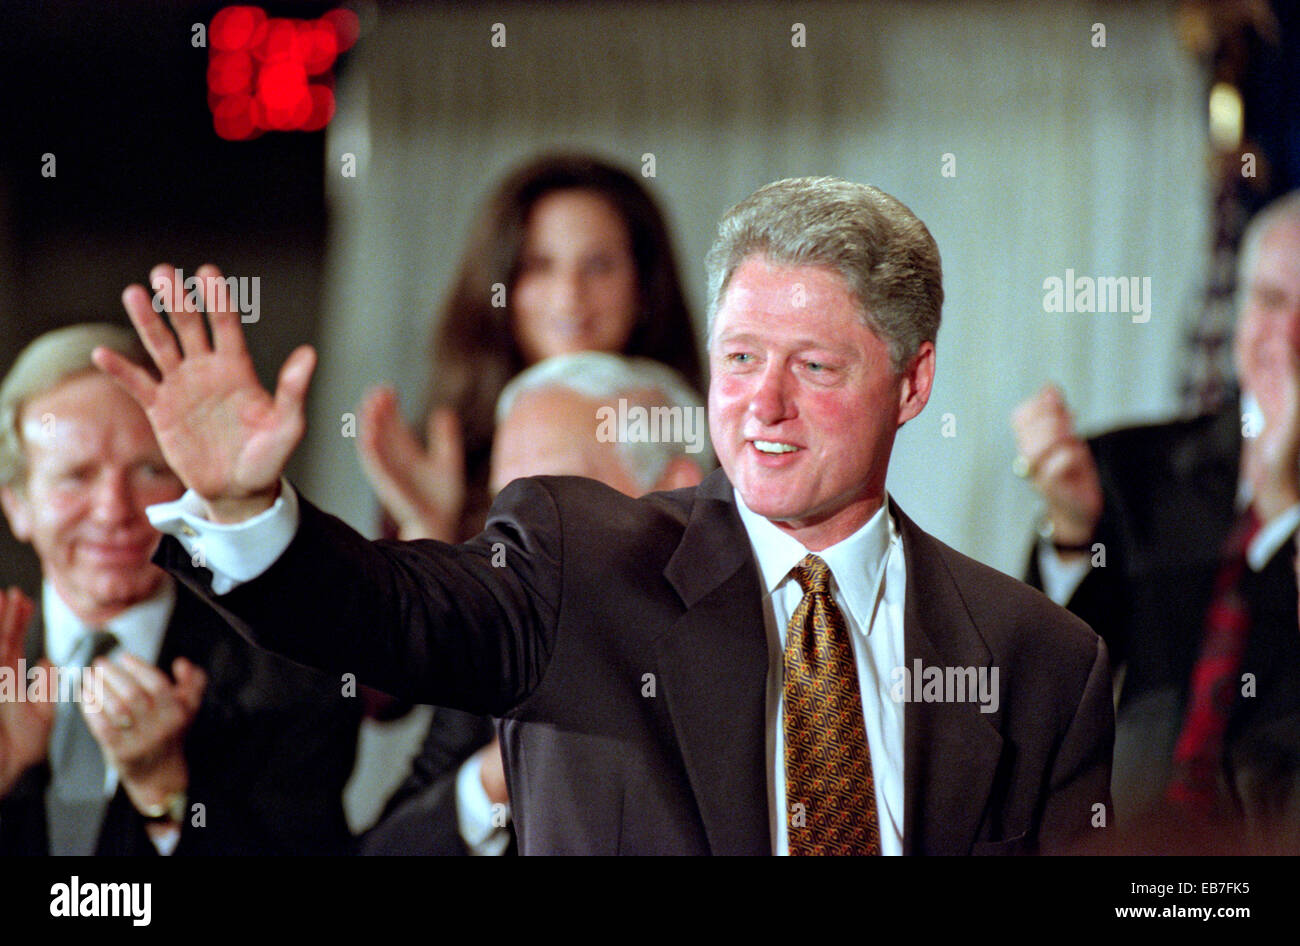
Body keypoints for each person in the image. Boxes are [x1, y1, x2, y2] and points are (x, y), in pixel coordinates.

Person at [98, 177, 1114, 855]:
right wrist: (245, 504)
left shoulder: (1041, 660)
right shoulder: (583, 565)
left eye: (813, 367)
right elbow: (375, 610)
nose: (763, 405)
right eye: (741, 359)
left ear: (910, 380)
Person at [0, 324, 360, 855]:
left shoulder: (289, 670)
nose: (114, 511)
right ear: (18, 505)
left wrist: (165, 793)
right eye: (76, 476)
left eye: (150, 470)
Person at [1011, 191, 1300, 844]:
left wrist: (1283, 503)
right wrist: (1071, 533)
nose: (1287, 337)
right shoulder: (1138, 466)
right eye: (1271, 301)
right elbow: (1043, 687)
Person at [360, 351, 708, 855]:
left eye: (549, 499)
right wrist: (491, 781)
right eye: (504, 504)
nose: (517, 537)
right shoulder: (500, 660)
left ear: (676, 492)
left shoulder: (764, 643)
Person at [358, 153, 703, 545]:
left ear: (643, 289)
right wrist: (429, 526)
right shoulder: (435, 464)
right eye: (539, 266)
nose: (569, 295)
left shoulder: (711, 445)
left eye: (599, 265)